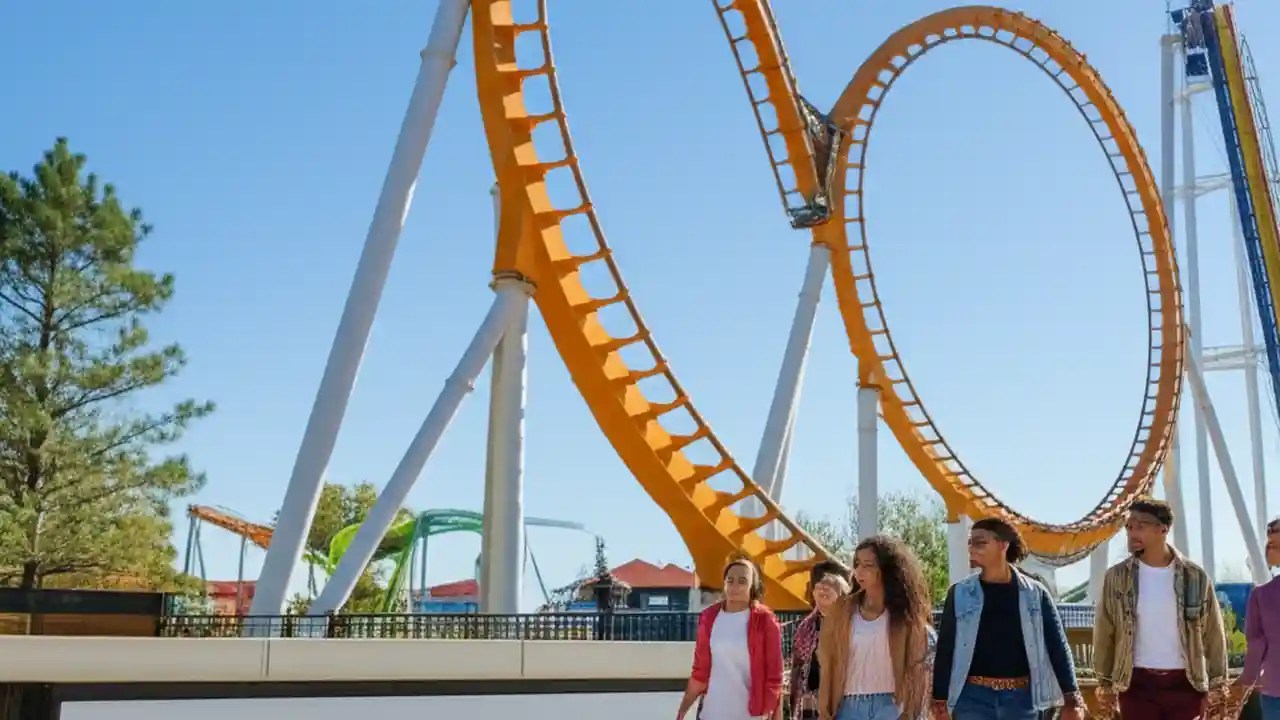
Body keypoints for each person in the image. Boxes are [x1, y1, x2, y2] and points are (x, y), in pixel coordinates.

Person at [931, 518, 1083, 720]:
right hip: (972, 699)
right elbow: (946, 647)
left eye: (980, 542)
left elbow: (1057, 645)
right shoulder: (959, 593)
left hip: (1022, 700)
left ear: (1003, 545)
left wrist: (1072, 698)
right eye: (970, 542)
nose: (972, 548)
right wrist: (939, 699)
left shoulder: (1035, 594)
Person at [1093, 498, 1228, 720]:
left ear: (1163, 530)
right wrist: (1105, 683)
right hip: (1136, 684)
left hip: (1186, 684)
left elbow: (1213, 633)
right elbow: (1105, 631)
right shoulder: (1116, 578)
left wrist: (1217, 683)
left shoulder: (1195, 577)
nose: (1132, 532)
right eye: (1129, 526)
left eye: (1140, 526)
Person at [817, 535, 933, 720]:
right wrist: (825, 709)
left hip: (891, 706)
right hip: (848, 705)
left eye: (868, 565)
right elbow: (827, 660)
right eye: (857, 564)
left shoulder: (905, 615)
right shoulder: (842, 610)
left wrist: (912, 711)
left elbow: (916, 667)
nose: (859, 571)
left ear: (886, 569)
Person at [679, 552, 784, 720]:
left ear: (753, 586)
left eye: (742, 581)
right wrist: (683, 710)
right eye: (730, 580)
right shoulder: (708, 618)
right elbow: (699, 671)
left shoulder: (765, 620)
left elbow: (774, 676)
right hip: (712, 712)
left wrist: (768, 712)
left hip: (751, 715)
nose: (735, 585)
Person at [789, 561, 852, 719]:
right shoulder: (807, 627)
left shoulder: (855, 622)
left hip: (848, 703)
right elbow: (797, 670)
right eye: (819, 582)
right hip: (812, 705)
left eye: (831, 582)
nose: (824, 587)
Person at [1240, 518, 1280, 718]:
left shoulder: (1262, 595)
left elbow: (1256, 643)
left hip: (1274, 687)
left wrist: (1246, 681)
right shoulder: (1260, 595)